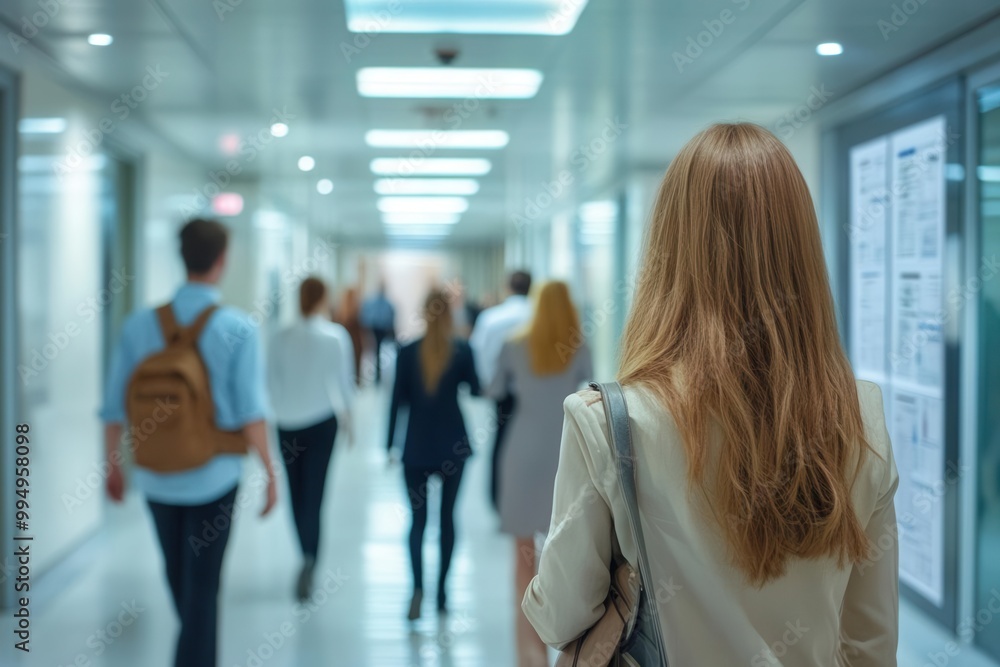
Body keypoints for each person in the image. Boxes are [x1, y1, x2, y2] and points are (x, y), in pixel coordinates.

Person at [523, 123, 900, 665]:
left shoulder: (609, 421)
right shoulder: (861, 418)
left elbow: (559, 616)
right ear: (801, 250)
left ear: (667, 254)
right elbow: (871, 645)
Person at [101, 218, 278, 667]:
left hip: (156, 473)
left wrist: (112, 464)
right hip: (214, 476)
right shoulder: (238, 327)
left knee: (179, 578)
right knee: (203, 585)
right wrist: (271, 473)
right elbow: (250, 411)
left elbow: (114, 405)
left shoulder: (140, 324)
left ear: (183, 258)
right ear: (222, 261)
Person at [489, 281, 593, 667]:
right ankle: (559, 639)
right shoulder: (580, 346)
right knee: (561, 549)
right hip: (564, 451)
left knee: (522, 554)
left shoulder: (514, 345)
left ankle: (528, 654)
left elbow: (494, 389)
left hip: (522, 450)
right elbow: (593, 389)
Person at [387, 288, 480, 620]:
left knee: (418, 522)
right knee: (447, 520)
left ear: (425, 313)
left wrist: (389, 446)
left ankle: (417, 590)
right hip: (453, 445)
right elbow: (477, 388)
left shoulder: (407, 352)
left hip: (416, 446)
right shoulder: (462, 349)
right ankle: (442, 593)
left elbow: (397, 402)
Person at [268, 277, 356, 601]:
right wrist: (351, 423)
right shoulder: (335, 336)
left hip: (287, 423)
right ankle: (310, 559)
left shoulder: (279, 337)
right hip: (322, 424)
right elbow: (345, 383)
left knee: (296, 492)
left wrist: (278, 411)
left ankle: (304, 554)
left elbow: (270, 382)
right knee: (315, 494)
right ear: (323, 298)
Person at [469, 270, 532, 511]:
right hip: (534, 394)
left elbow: (477, 351)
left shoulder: (491, 318)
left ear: (507, 287)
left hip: (503, 394)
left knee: (501, 444)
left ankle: (498, 500)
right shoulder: (537, 316)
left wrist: (487, 386)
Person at [360, 282, 396, 384]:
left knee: (380, 352)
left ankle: (378, 375)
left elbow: (391, 316)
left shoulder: (388, 303)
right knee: (375, 352)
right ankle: (375, 375)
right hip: (374, 329)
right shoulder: (372, 302)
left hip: (383, 330)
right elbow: (366, 316)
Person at [334, 286, 364, 385]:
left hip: (346, 344)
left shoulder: (339, 312)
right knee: (353, 366)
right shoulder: (356, 311)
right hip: (354, 343)